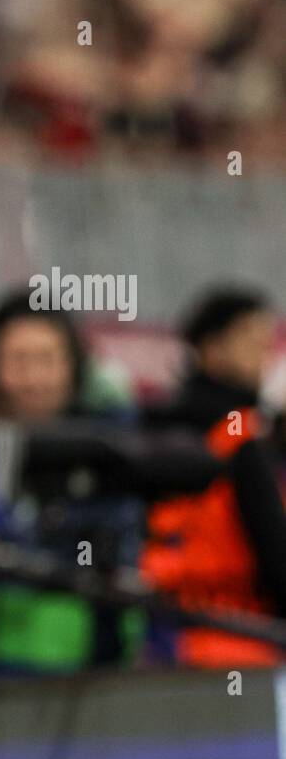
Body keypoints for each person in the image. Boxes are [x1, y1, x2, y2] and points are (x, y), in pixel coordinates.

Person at [0, 290, 146, 673]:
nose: (34, 379)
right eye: (18, 361)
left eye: (47, 360)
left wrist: (7, 548)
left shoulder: (108, 446)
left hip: (80, 670)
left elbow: (120, 553)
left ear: (73, 366)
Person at [141, 286, 286, 667]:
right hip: (238, 637)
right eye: (249, 338)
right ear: (212, 348)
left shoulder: (153, 422)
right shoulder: (236, 433)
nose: (263, 352)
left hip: (162, 635)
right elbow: (274, 549)